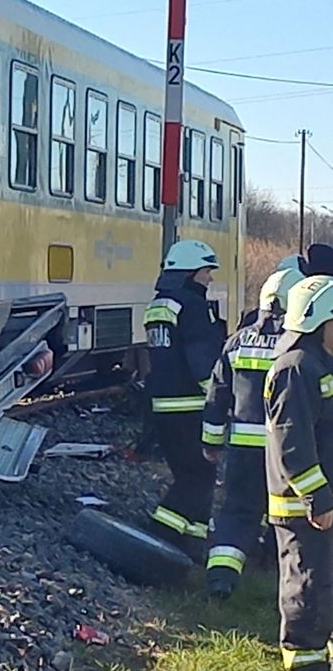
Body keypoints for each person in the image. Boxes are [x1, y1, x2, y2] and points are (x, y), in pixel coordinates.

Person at [202, 267, 303, 599]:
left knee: (238, 511)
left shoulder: (238, 341)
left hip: (243, 451)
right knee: (289, 515)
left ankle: (221, 577)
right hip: (285, 450)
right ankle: (284, 579)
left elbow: (217, 397)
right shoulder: (300, 348)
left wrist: (212, 443)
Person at [142, 239, 226, 560]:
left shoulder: (159, 306)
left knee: (191, 475)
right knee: (199, 476)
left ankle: (191, 544)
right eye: (207, 271)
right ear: (191, 273)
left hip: (162, 408)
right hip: (191, 408)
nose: (210, 278)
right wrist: (221, 399)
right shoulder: (193, 307)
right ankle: (162, 533)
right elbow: (203, 363)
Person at [265, 275, 333, 670]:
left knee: (325, 589)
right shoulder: (295, 368)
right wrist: (318, 499)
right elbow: (294, 445)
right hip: (303, 508)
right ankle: (305, 662)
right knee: (305, 592)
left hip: (322, 503)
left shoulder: (319, 364)